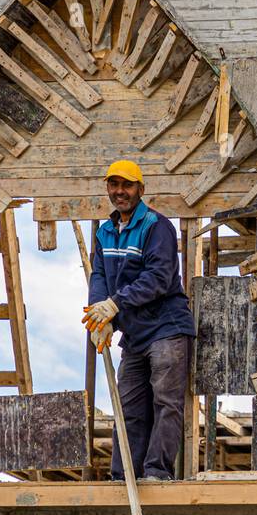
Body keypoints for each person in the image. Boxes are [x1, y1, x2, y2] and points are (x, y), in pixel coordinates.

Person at [83, 160, 196, 482]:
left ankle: (157, 473)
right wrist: (98, 314)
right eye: (114, 185)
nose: (120, 192)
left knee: (165, 402)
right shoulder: (105, 231)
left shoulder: (156, 226)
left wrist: (115, 304)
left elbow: (159, 277)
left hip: (166, 328)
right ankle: (124, 476)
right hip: (134, 334)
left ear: (140, 189)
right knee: (129, 406)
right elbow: (100, 275)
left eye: (127, 185)